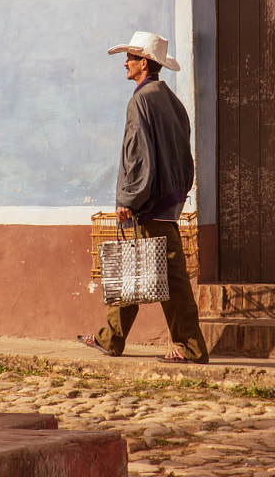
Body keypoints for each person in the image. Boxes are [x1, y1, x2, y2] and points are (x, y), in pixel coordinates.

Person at [78, 31, 209, 364]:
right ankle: (110, 337)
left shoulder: (140, 100)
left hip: (150, 202)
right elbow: (183, 154)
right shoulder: (172, 102)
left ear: (144, 64)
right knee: (135, 267)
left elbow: (136, 155)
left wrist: (129, 198)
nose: (125, 63)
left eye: (131, 58)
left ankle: (190, 347)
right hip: (167, 199)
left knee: (170, 278)